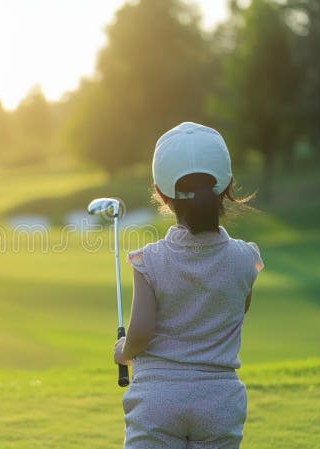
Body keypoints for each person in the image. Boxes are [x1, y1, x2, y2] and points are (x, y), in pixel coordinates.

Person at [113, 121, 264, 449]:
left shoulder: (146, 261)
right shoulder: (248, 259)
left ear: (160, 194)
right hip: (220, 402)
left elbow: (139, 333)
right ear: (227, 187)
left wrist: (122, 353)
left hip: (157, 401)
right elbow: (240, 306)